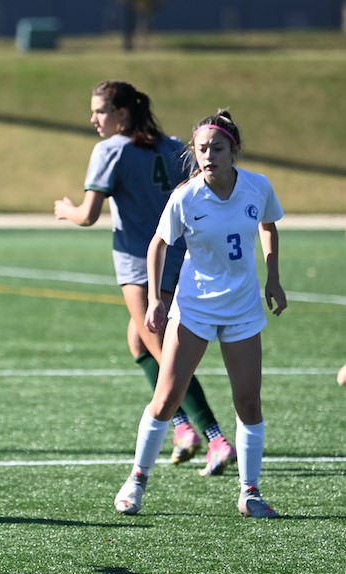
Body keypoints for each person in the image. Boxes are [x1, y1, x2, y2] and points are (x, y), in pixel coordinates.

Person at [54, 80, 235, 475]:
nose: (93, 119)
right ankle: (183, 428)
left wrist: (64, 209)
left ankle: (215, 437)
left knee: (165, 354)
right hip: (178, 259)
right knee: (138, 338)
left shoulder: (110, 150)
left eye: (99, 111)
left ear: (121, 113)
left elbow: (87, 215)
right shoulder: (170, 145)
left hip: (139, 266)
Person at [113, 110, 287, 518]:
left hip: (242, 307)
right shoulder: (186, 196)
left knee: (248, 402)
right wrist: (156, 298)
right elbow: (158, 245)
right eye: (202, 149)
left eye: (218, 148)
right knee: (167, 398)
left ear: (235, 151)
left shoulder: (257, 187)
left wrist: (273, 278)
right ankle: (136, 479)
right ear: (194, 152)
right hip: (194, 308)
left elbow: (269, 226)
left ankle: (250, 492)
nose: (209, 155)